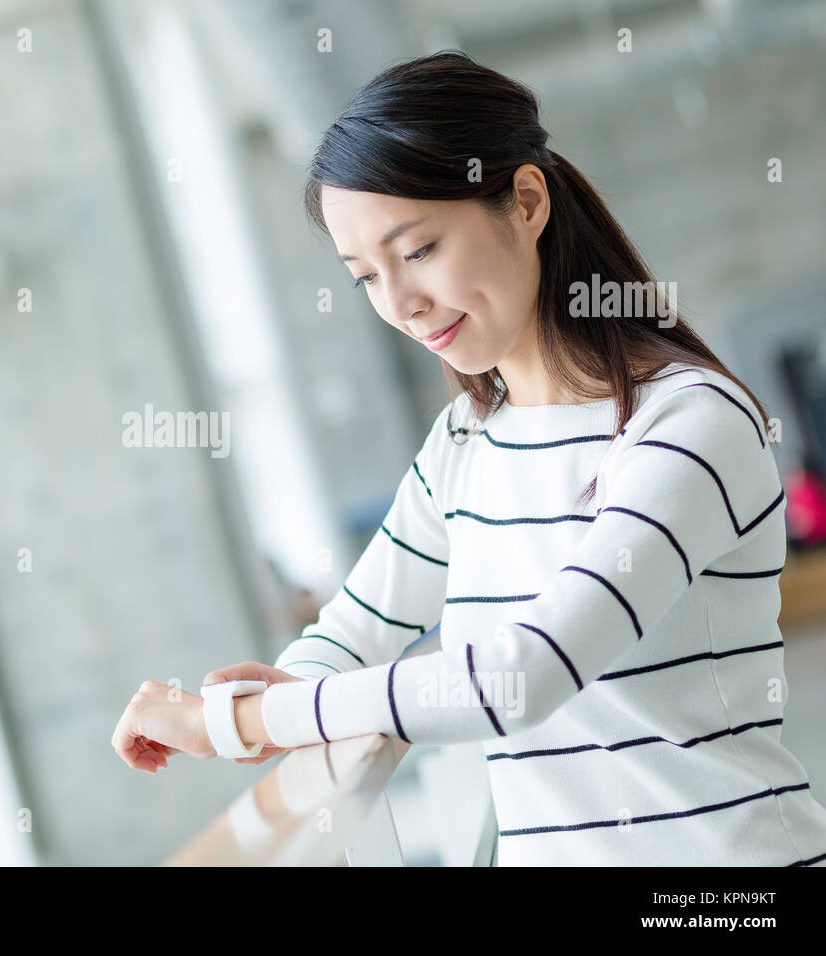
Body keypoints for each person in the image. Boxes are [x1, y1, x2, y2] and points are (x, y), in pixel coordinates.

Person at [110, 49, 826, 865]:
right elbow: (353, 632)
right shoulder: (466, 440)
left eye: (417, 250)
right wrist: (253, 699)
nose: (401, 304)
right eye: (364, 277)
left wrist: (235, 725)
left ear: (525, 201)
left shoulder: (689, 425)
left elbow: (521, 676)